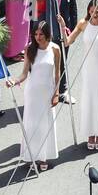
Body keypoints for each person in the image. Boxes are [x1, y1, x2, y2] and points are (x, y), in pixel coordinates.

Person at [8, 21, 61, 171]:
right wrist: (14, 81)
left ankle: (43, 157)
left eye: (41, 34)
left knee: (45, 125)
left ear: (47, 34)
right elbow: (24, 73)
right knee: (31, 125)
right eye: (36, 34)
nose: (38, 37)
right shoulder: (29, 49)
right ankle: (33, 156)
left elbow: (57, 74)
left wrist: (56, 93)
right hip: (32, 93)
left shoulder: (55, 49)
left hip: (48, 92)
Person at [65, 0, 98, 152]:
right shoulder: (83, 24)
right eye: (92, 11)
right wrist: (62, 25)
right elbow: (68, 41)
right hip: (88, 70)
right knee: (89, 100)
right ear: (88, 10)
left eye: (97, 11)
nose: (95, 14)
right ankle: (90, 133)